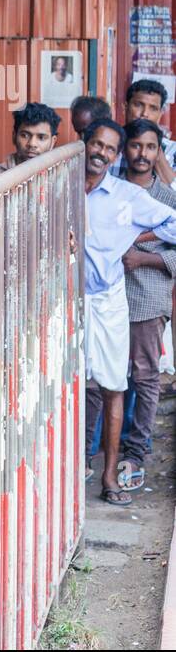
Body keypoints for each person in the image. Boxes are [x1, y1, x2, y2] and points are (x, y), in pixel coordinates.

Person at [78, 119, 176, 507]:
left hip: (108, 299)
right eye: (96, 144)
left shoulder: (125, 196)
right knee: (69, 385)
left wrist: (137, 236)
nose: (100, 152)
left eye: (108, 148)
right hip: (63, 302)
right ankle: (74, 465)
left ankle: (110, 475)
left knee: (114, 383)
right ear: (84, 144)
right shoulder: (60, 186)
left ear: (114, 156)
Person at [115, 119, 176, 492]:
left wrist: (143, 260)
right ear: (126, 149)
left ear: (159, 152)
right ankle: (100, 449)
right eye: (136, 146)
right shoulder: (113, 190)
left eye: (150, 147)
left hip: (149, 296)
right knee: (106, 377)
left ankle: (136, 453)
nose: (142, 154)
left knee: (145, 376)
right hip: (110, 294)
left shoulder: (167, 198)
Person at [111, 79, 176, 187]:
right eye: (138, 105)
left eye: (153, 108)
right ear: (125, 107)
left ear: (160, 114)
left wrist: (156, 150)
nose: (145, 114)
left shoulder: (173, 150)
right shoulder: (110, 145)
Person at [0, 103, 60, 181]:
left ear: (53, 141)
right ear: (14, 136)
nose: (32, 144)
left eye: (41, 137)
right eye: (25, 135)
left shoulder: (61, 177)